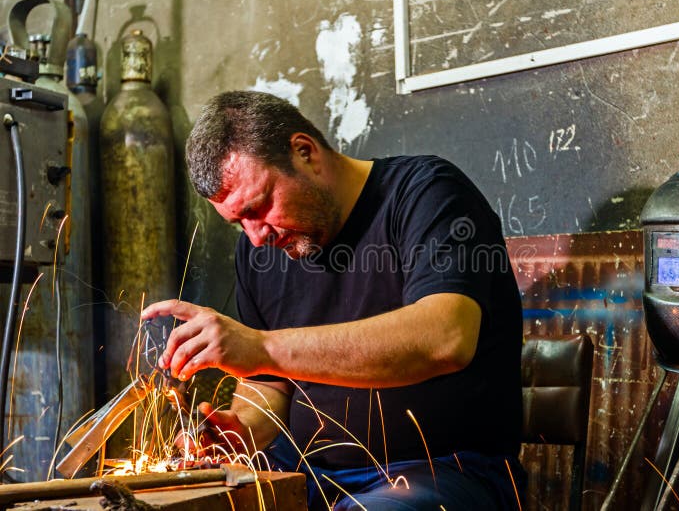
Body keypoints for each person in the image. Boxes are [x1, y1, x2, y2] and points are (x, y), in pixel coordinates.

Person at [141, 91, 524, 510]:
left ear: (304, 152)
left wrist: (263, 346)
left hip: (445, 471)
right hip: (309, 472)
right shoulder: (259, 252)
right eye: (238, 223)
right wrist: (244, 429)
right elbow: (269, 382)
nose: (256, 236)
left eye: (259, 207)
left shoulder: (426, 195)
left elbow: (446, 336)